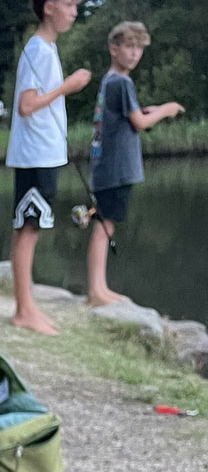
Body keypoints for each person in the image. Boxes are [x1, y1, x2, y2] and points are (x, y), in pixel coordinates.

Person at [5, 0, 91, 336]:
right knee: (28, 230)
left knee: (30, 228)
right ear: (49, 6)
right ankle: (24, 310)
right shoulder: (39, 50)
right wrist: (67, 86)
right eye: (69, 4)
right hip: (35, 155)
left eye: (75, 5)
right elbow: (27, 106)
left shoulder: (46, 48)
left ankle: (27, 306)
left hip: (44, 155)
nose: (73, 12)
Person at [85, 21, 184, 306]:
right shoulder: (122, 82)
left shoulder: (108, 81)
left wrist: (143, 111)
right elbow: (138, 123)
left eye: (139, 48)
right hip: (116, 168)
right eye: (129, 46)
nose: (135, 53)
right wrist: (166, 110)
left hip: (105, 166)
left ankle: (99, 288)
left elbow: (126, 116)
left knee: (105, 225)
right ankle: (95, 290)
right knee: (105, 227)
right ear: (113, 48)